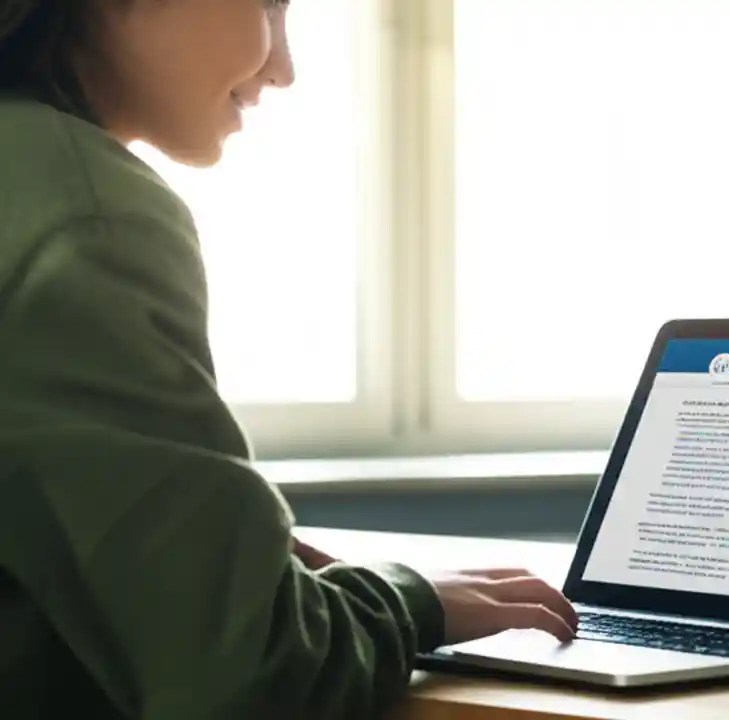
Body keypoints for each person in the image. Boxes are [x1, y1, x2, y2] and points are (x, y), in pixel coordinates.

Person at [0, 1, 577, 717]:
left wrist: (237, 559)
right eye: (270, 4)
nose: (284, 68)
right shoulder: (89, 215)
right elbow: (249, 678)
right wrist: (410, 601)